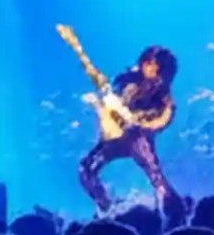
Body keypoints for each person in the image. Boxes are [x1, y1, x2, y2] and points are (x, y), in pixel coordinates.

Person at [77, 45, 181, 211]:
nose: (150, 67)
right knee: (86, 169)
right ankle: (106, 206)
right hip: (114, 137)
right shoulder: (128, 81)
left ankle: (174, 209)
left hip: (138, 139)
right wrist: (102, 106)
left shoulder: (164, 95)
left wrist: (143, 125)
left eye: (154, 64)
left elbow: (164, 118)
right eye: (148, 62)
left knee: (157, 179)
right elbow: (110, 100)